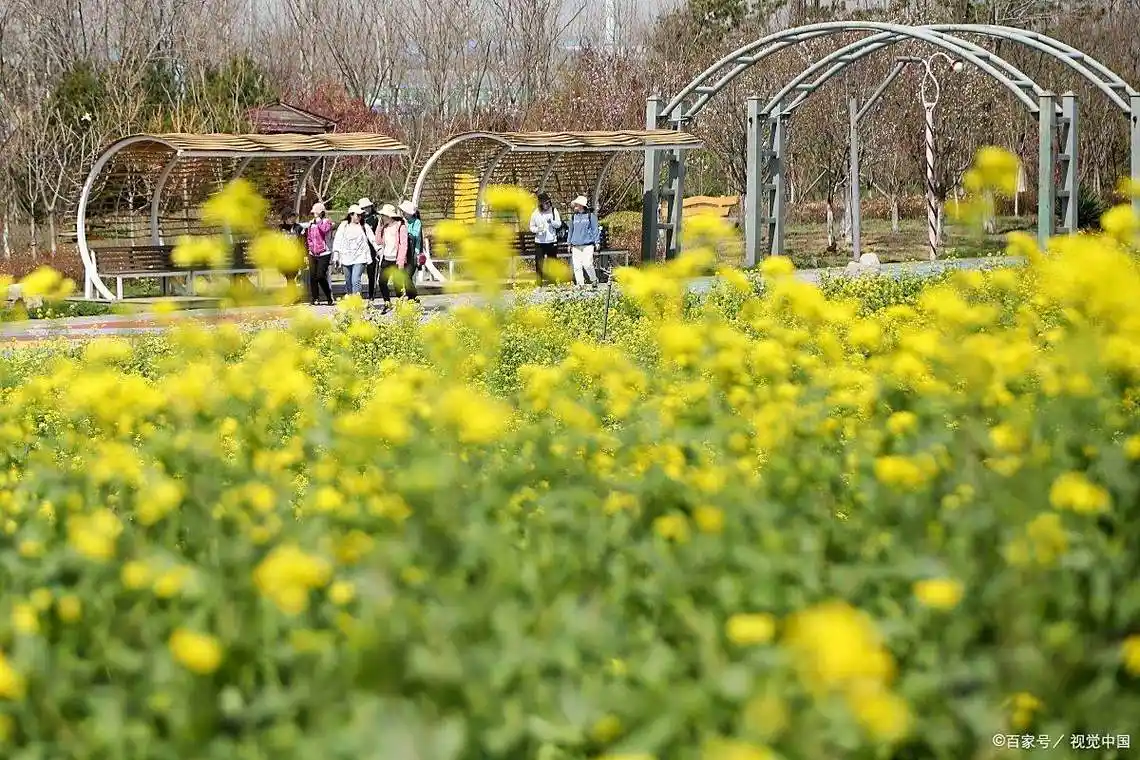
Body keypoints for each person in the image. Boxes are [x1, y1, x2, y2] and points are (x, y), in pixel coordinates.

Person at [374, 203, 415, 312]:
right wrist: (380, 226)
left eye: (384, 215)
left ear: (390, 216)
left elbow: (403, 245)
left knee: (397, 285)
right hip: (386, 258)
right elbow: (378, 241)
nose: (382, 217)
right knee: (382, 282)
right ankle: (387, 302)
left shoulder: (400, 226)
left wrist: (401, 261)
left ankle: (400, 304)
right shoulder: (385, 227)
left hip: (397, 260)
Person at [399, 200, 443, 286]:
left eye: (404, 212)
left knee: (409, 275)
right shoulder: (403, 222)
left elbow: (414, 235)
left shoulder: (417, 222)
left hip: (414, 252)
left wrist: (406, 229)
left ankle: (411, 295)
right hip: (404, 252)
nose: (403, 213)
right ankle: (408, 293)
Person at [332, 204, 372, 297]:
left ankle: (357, 302)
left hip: (360, 257)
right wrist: (336, 255)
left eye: (360, 215)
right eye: (357, 215)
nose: (359, 217)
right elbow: (338, 240)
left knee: (355, 280)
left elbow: (372, 238)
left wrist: (378, 249)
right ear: (351, 215)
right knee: (348, 281)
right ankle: (350, 300)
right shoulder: (344, 225)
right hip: (346, 257)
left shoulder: (364, 226)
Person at [528, 192, 562, 286]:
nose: (547, 205)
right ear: (540, 204)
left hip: (551, 241)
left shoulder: (554, 211)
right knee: (539, 263)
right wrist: (537, 230)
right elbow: (531, 227)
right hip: (540, 241)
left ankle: (555, 282)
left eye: (548, 202)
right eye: (544, 203)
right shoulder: (535, 213)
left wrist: (552, 222)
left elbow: (559, 224)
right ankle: (539, 284)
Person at [566, 195, 600, 287]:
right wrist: (569, 243)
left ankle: (594, 279)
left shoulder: (590, 216)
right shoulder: (573, 217)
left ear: (582, 205)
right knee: (577, 266)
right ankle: (580, 284)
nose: (575, 205)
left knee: (587, 264)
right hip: (575, 245)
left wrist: (597, 242)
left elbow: (595, 229)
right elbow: (571, 231)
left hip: (588, 244)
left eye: (577, 204)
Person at [303, 203, 334, 305]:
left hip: (324, 253)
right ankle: (315, 298)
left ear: (321, 212)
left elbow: (325, 230)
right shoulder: (311, 223)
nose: (314, 214)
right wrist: (310, 248)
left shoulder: (327, 222)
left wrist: (319, 221)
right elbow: (309, 237)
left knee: (320, 276)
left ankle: (328, 296)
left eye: (316, 212)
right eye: (314, 212)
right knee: (312, 276)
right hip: (313, 253)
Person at [357, 197, 382, 300]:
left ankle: (371, 293)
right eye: (364, 208)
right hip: (360, 249)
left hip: (372, 248)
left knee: (372, 273)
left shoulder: (376, 218)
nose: (366, 209)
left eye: (368, 207)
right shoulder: (358, 219)